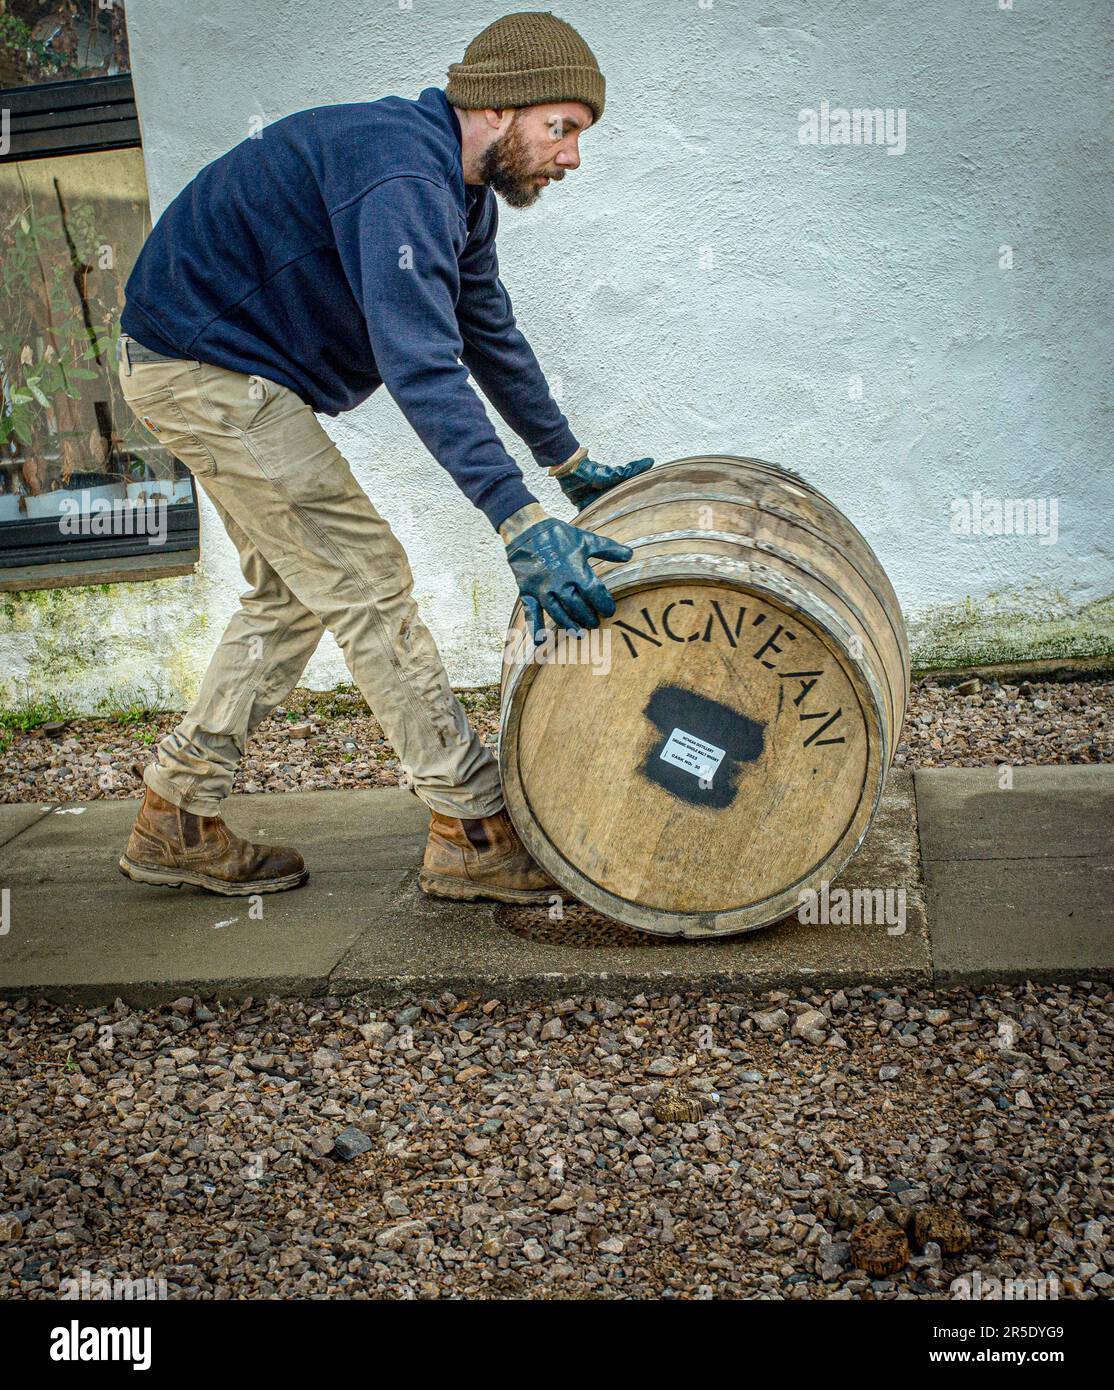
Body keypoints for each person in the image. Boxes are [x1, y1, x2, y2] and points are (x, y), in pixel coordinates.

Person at [115, 11, 652, 904]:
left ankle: (177, 816)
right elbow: (419, 362)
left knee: (295, 588)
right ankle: (470, 825)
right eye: (562, 127)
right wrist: (518, 520)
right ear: (500, 106)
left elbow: (484, 329)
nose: (572, 157)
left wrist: (569, 462)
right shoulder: (401, 170)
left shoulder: (460, 189)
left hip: (212, 366)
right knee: (365, 577)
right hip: (200, 367)